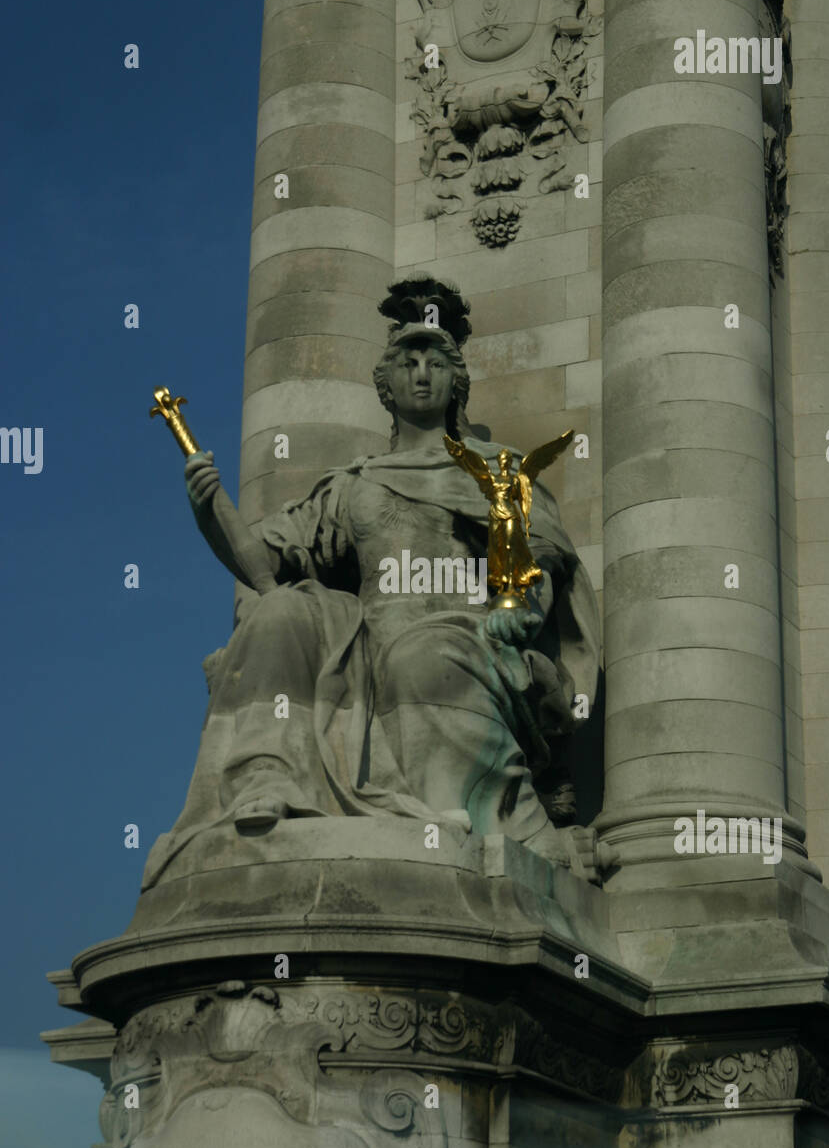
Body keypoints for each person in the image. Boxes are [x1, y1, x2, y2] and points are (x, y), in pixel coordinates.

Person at [141, 280, 600, 888]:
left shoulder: (498, 473)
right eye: (407, 364)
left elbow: (537, 560)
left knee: (423, 655)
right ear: (384, 386)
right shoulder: (355, 483)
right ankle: (268, 779)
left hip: (469, 638)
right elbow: (267, 565)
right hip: (365, 644)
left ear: (455, 382)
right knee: (280, 614)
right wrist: (210, 513)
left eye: (436, 364)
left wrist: (519, 610)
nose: (421, 375)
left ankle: (448, 825)